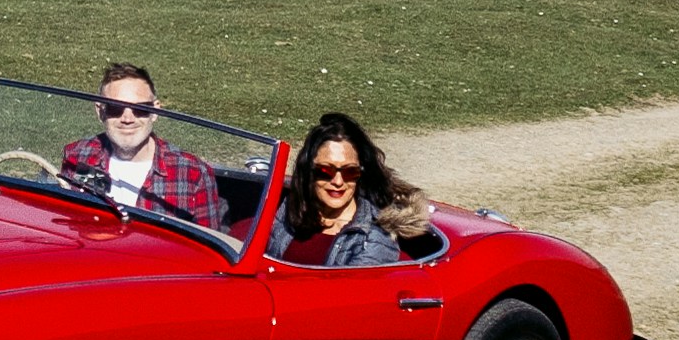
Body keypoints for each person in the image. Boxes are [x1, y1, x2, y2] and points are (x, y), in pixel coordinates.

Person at [59, 64, 226, 227]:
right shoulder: (76, 156)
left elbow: (209, 249)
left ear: (155, 112)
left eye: (139, 108)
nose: (127, 119)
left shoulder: (193, 173)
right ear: (100, 111)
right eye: (115, 108)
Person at [265, 112, 434, 266]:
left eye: (350, 172)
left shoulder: (373, 239)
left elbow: (348, 296)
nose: (338, 181)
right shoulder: (291, 208)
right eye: (325, 171)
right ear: (308, 170)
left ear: (361, 173)